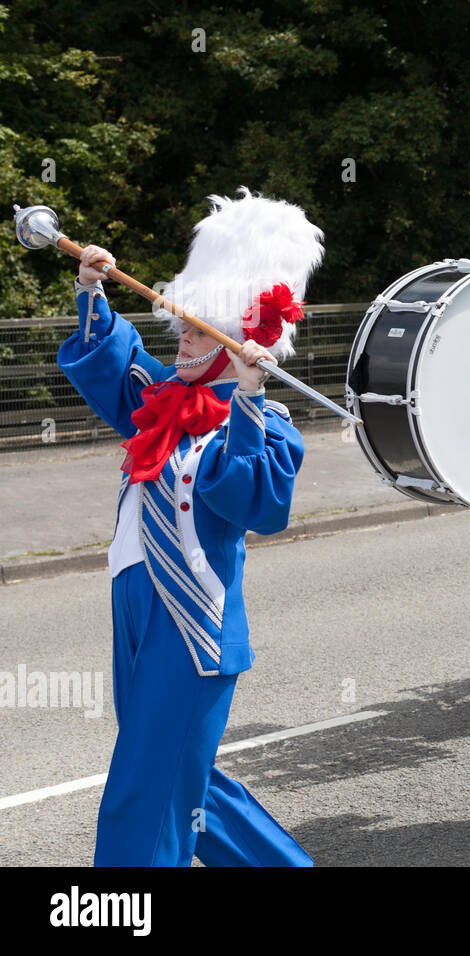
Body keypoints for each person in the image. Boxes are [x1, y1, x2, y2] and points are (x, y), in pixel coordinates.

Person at [56, 188, 321, 866]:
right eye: (184, 324)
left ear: (238, 341)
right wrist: (92, 291)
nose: (183, 336)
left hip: (194, 620)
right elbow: (110, 367)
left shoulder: (269, 427)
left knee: (143, 791)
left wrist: (251, 403)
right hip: (134, 606)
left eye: (201, 329)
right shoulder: (163, 400)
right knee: (181, 781)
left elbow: (253, 507)